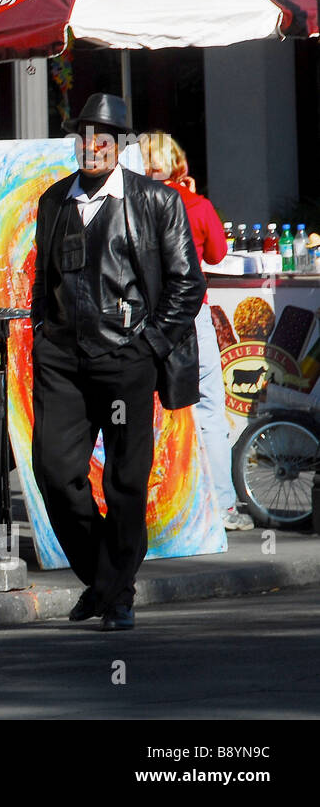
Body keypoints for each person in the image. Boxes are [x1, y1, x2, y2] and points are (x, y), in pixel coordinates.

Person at [30, 92, 206, 630]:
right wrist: (42, 336)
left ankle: (117, 591)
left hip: (127, 360)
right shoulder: (54, 200)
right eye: (83, 136)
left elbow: (187, 284)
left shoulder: (157, 201)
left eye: (104, 137)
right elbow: (46, 283)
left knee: (125, 484)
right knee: (55, 473)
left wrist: (148, 348)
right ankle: (105, 581)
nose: (92, 146)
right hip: (62, 360)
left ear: (122, 145)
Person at [141, 132, 251, 531]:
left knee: (145, 409)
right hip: (191, 314)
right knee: (207, 410)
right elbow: (219, 253)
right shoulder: (195, 205)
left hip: (143, 317)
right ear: (177, 163)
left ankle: (155, 506)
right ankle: (222, 505)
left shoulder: (129, 204)